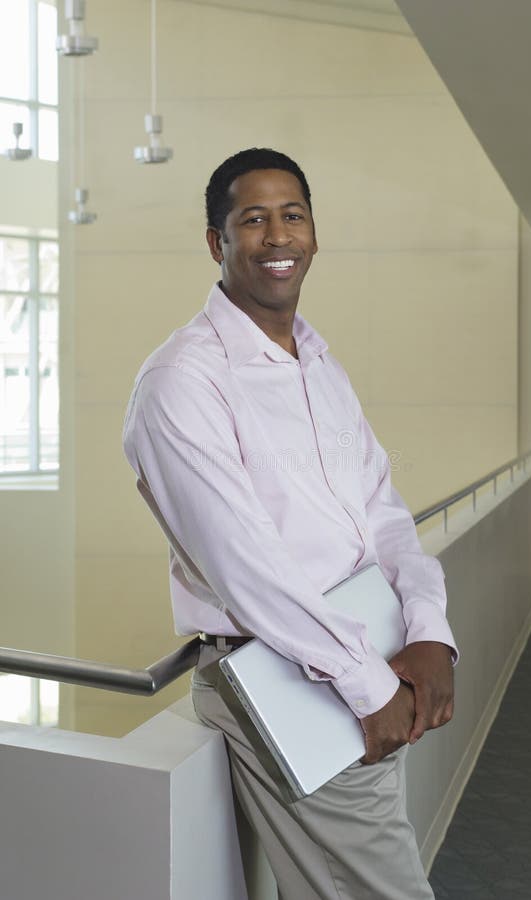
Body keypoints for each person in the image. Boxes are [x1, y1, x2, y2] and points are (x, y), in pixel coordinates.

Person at [123, 148, 457, 900]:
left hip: (369, 658)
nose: (278, 237)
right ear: (218, 243)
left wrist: (430, 630)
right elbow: (247, 570)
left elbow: (383, 511)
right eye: (253, 219)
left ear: (313, 232)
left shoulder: (317, 362)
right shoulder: (183, 382)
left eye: (293, 215)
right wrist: (369, 685)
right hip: (291, 675)